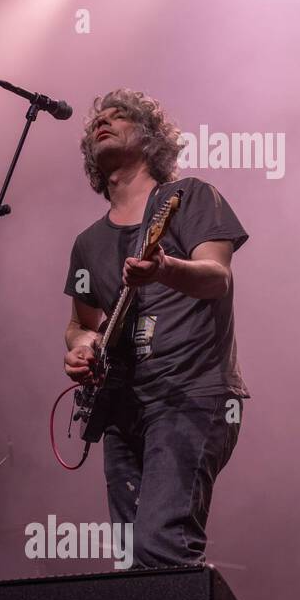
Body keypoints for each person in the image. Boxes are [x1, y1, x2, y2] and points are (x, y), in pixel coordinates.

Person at [63, 89, 249, 568]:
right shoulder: (87, 243)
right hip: (122, 407)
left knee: (160, 543)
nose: (103, 121)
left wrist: (164, 268)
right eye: (96, 121)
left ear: (149, 137)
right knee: (129, 560)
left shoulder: (188, 197)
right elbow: (80, 324)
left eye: (119, 116)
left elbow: (216, 278)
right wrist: (83, 346)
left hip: (190, 392)